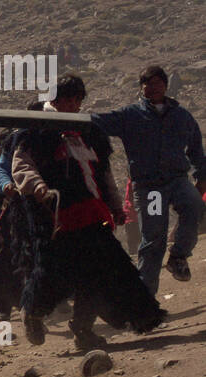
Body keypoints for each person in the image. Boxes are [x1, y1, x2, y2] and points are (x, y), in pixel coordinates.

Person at [12, 74, 164, 350]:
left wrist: (116, 207)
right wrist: (40, 188)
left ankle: (83, 330)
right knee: (51, 275)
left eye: (76, 99)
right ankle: (33, 312)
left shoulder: (89, 132)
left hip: (91, 216)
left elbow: (103, 174)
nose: (71, 104)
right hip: (54, 218)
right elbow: (21, 167)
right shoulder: (36, 130)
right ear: (54, 100)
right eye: (66, 99)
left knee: (102, 272)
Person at [90, 66, 206, 292]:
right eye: (147, 84)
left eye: (156, 83)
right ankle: (145, 300)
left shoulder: (182, 116)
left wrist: (202, 177)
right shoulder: (130, 115)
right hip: (150, 187)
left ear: (165, 85)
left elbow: (196, 150)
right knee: (154, 238)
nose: (152, 88)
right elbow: (97, 121)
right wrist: (66, 118)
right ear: (141, 88)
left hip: (177, 180)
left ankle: (179, 256)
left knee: (194, 205)